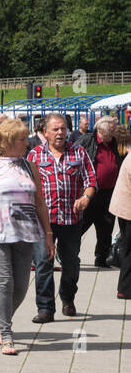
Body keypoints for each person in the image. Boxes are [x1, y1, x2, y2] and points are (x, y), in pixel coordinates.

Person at [0, 117, 53, 355]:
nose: (27, 143)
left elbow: (40, 203)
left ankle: (1, 319)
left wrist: (48, 233)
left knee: (22, 286)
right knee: (4, 282)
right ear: (8, 141)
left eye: (26, 138)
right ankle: (6, 333)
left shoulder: (29, 166)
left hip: (26, 234)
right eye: (22, 139)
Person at [27, 112, 96, 321]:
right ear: (45, 132)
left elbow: (91, 180)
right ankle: (46, 308)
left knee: (71, 263)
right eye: (55, 129)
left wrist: (86, 197)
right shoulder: (34, 155)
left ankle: (67, 297)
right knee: (42, 263)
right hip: (43, 221)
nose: (60, 133)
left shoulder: (79, 152)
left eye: (63, 129)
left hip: (71, 220)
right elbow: (26, 186)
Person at [79, 116, 123, 267]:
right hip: (90, 192)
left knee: (106, 228)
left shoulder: (114, 143)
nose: (113, 133)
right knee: (81, 225)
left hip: (109, 193)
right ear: (101, 130)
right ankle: (69, 255)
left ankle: (101, 258)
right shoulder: (86, 140)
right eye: (111, 131)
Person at [109, 128, 131, 301]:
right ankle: (124, 289)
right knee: (129, 249)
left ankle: (125, 289)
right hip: (127, 209)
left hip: (124, 207)